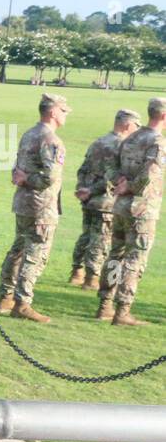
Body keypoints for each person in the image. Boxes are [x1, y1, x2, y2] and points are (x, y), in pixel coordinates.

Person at [0, 93, 70, 323]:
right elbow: (49, 177)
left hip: (23, 203)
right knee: (34, 255)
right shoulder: (51, 140)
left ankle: (5, 297)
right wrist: (29, 180)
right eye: (63, 110)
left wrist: (23, 179)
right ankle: (22, 303)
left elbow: (18, 169)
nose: (65, 114)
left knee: (17, 250)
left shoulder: (30, 133)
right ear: (52, 112)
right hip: (41, 207)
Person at [96, 97, 164, 326]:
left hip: (121, 205)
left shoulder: (131, 138)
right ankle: (122, 310)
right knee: (136, 258)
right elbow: (149, 175)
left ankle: (104, 303)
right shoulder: (158, 142)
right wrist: (131, 186)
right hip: (141, 208)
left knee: (115, 255)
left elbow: (110, 166)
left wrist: (119, 182)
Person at [70, 108, 139, 288]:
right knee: (100, 240)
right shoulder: (121, 146)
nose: (136, 130)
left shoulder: (99, 141)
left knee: (86, 235)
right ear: (127, 125)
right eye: (135, 126)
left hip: (88, 198)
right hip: (104, 200)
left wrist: (82, 189)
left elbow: (83, 169)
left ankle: (76, 271)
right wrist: (91, 191)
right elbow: (113, 177)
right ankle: (91, 278)